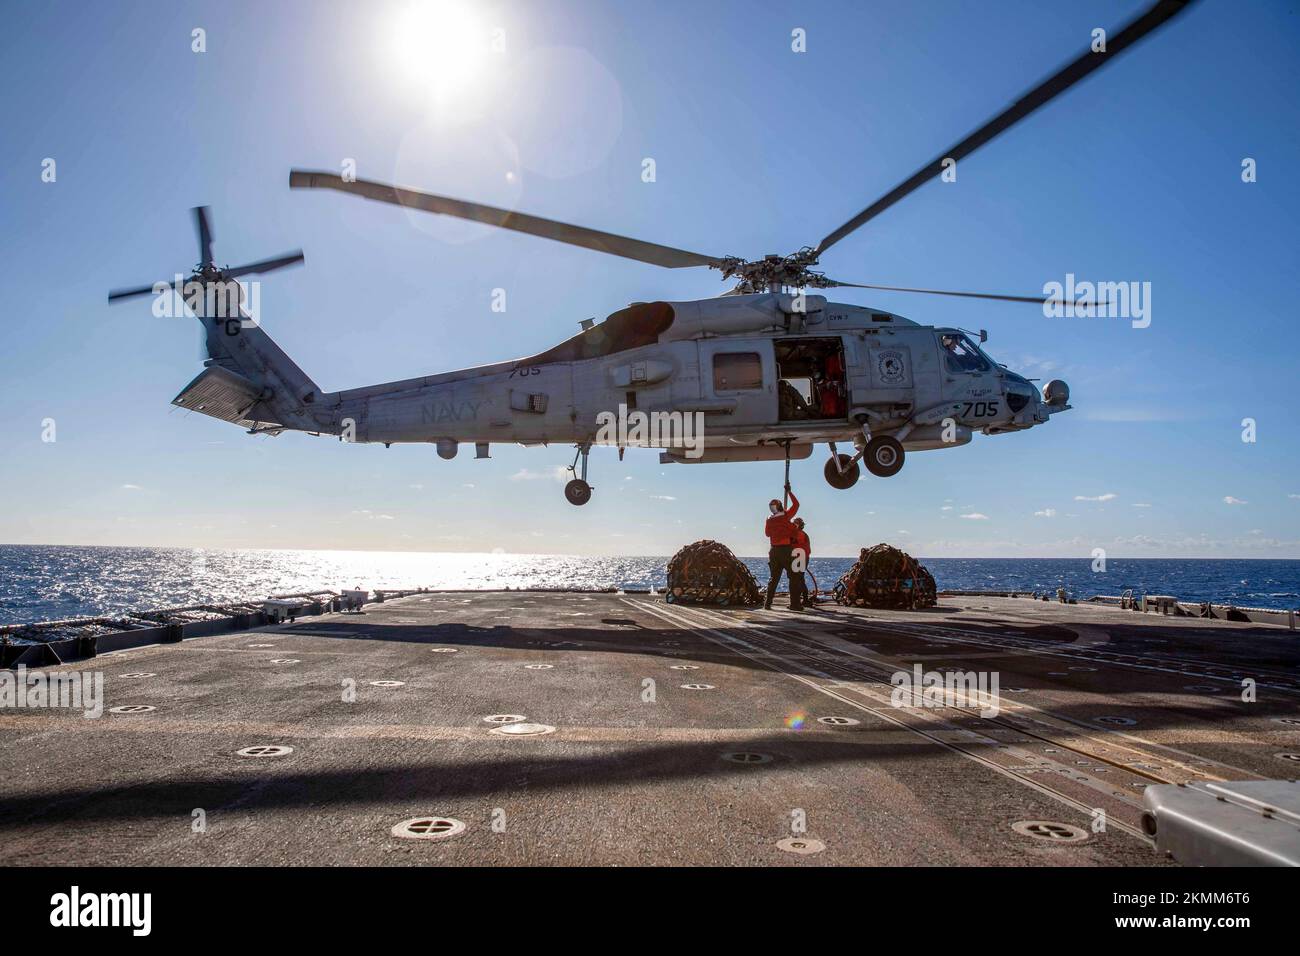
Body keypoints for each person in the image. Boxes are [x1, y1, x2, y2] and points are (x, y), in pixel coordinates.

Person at [763, 486, 802, 611]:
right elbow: (796, 505)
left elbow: (767, 534)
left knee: (774, 578)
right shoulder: (785, 516)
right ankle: (795, 604)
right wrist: (789, 491)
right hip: (785, 550)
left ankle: (767, 603)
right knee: (794, 576)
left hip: (773, 551)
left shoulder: (769, 520)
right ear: (780, 506)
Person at [790, 517, 811, 607]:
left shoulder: (798, 534)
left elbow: (790, 543)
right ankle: (804, 599)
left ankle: (801, 600)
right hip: (802, 557)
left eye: (795, 523)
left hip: (799, 557)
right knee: (800, 579)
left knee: (798, 579)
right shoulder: (803, 534)